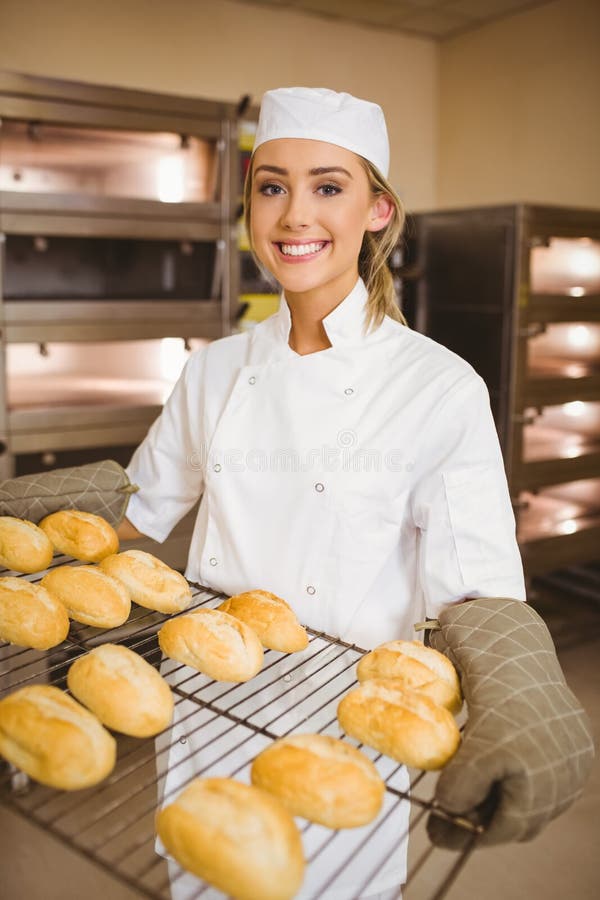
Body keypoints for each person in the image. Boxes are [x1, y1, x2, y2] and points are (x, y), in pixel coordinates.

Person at [1, 87, 590, 899]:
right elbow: (135, 508)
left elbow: (480, 591)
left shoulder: (438, 387)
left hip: (346, 739)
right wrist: (22, 511)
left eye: (328, 187)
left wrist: (527, 698)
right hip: (206, 713)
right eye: (271, 187)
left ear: (378, 210)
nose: (293, 216)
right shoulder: (214, 368)